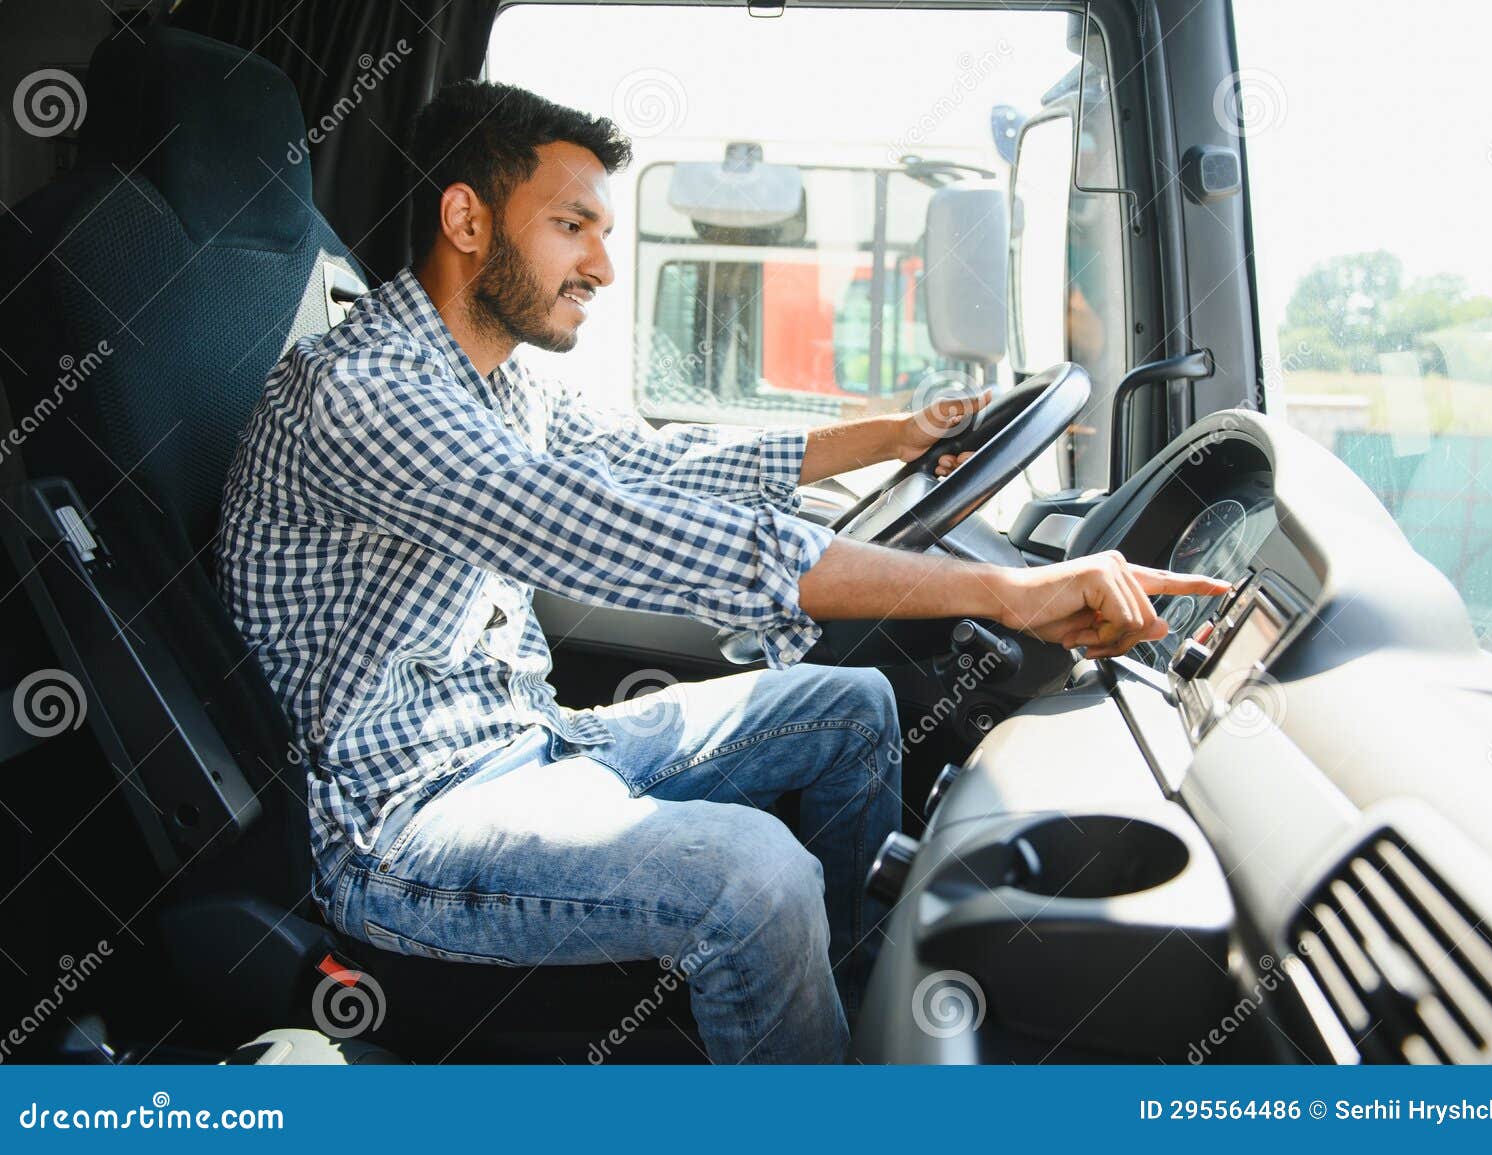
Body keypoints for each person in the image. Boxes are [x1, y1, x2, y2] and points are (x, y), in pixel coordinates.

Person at [215, 81, 1229, 1064]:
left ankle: (824, 1006)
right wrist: (1008, 592)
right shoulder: (363, 394)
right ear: (467, 220)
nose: (604, 268)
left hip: (533, 742)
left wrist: (892, 436)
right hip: (405, 829)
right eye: (574, 226)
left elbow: (661, 466)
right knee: (756, 877)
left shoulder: (498, 384)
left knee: (852, 708)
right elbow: (609, 531)